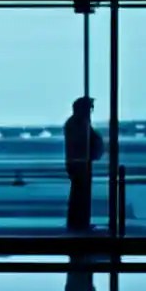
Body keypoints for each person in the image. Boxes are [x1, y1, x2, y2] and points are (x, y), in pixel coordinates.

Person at [64, 97, 104, 232]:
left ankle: (78, 223)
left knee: (79, 195)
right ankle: (78, 223)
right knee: (79, 195)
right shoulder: (78, 123)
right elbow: (85, 142)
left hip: (79, 163)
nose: (91, 111)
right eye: (89, 108)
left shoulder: (76, 123)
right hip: (79, 164)